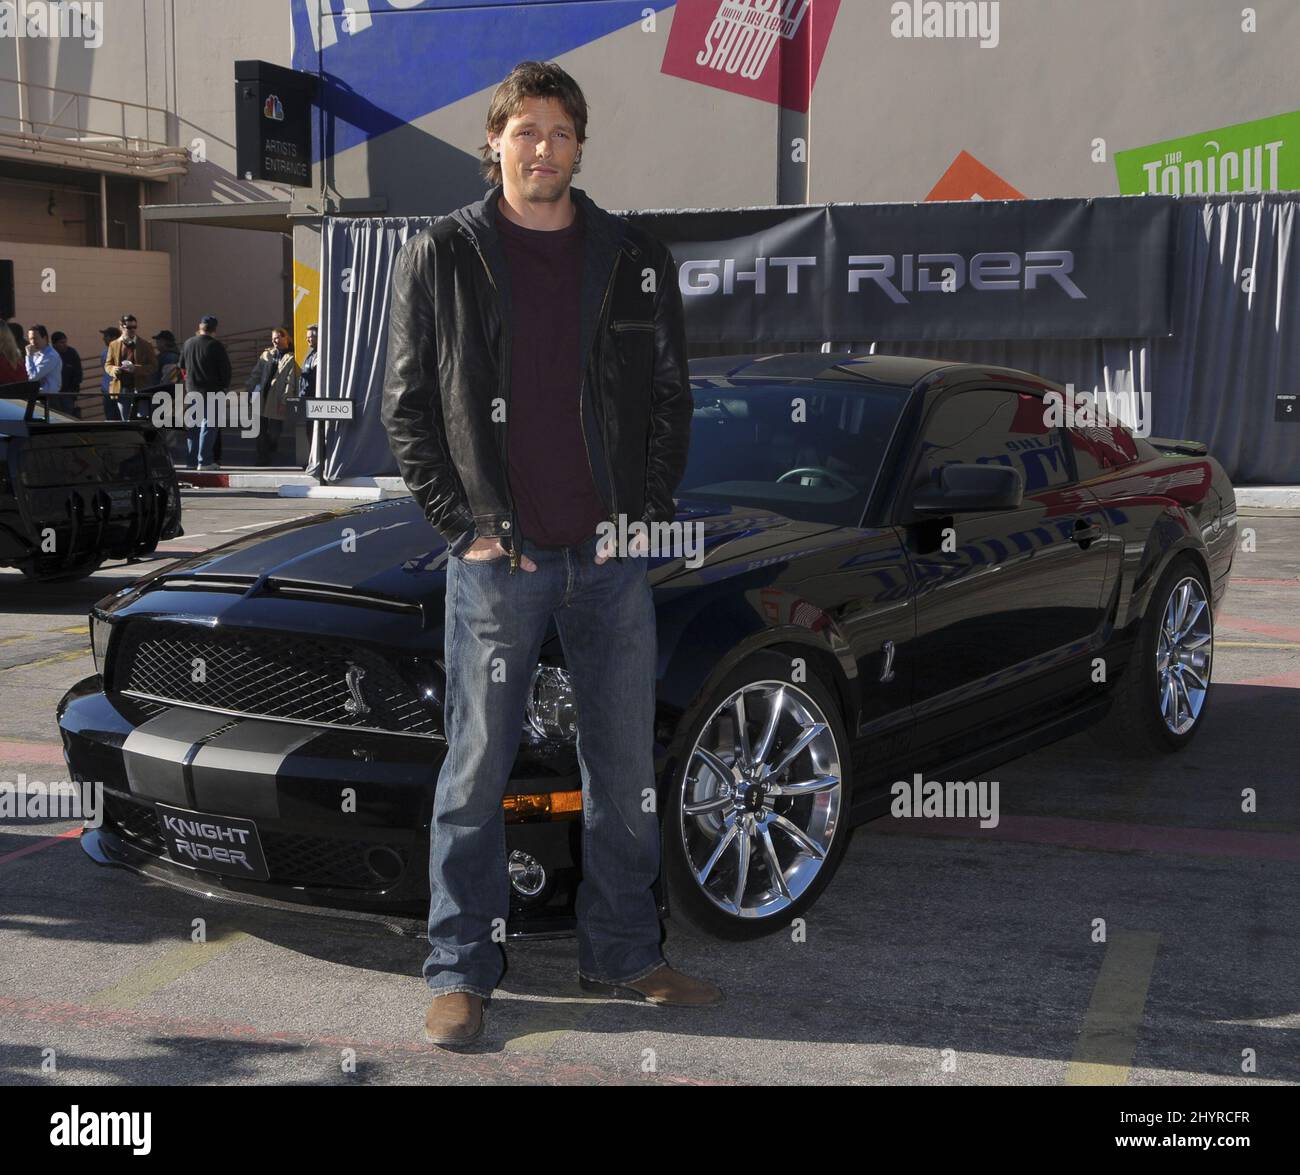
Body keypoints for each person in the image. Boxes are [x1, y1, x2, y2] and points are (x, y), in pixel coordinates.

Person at [381, 60, 707, 1049]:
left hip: (609, 561)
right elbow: (405, 408)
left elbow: (667, 398)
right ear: (494, 142)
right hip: (496, 564)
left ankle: (624, 951)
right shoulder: (441, 253)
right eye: (525, 131)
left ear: (579, 146)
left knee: (623, 770)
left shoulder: (631, 255)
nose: (543, 148)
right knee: (473, 776)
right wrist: (463, 519)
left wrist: (641, 512)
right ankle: (460, 971)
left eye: (561, 132)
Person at [178, 315, 231, 470]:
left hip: (192, 390)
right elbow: (225, 370)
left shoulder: (188, 343)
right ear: (214, 329)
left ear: (199, 327)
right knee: (209, 426)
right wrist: (224, 387)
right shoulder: (216, 346)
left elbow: (181, 365)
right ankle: (205, 460)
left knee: (194, 427)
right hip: (212, 391)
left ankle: (191, 461)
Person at [246, 326, 298, 465]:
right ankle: (262, 458)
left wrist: (284, 401)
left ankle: (271, 446)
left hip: (276, 398)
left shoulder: (292, 357)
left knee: (275, 431)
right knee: (260, 430)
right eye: (273, 338)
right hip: (262, 396)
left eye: (277, 337)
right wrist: (250, 389)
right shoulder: (267, 354)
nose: (275, 340)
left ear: (285, 337)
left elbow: (290, 382)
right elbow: (255, 374)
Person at [104, 313, 156, 421]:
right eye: (129, 327)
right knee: (126, 421)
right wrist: (114, 370)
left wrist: (136, 369)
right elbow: (108, 365)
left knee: (143, 420)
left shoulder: (145, 345)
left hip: (141, 388)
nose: (132, 330)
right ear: (121, 327)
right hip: (122, 389)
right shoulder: (114, 345)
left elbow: (154, 366)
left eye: (134, 327)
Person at [24, 324, 63, 394]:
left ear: (44, 338)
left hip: (48, 398)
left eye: (35, 338)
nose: (32, 342)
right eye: (30, 339)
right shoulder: (35, 354)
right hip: (37, 396)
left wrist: (29, 356)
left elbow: (32, 377)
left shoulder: (51, 356)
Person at [50, 332, 83, 399]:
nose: (65, 345)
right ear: (54, 344)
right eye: (61, 343)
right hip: (53, 392)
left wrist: (73, 389)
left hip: (68, 392)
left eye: (65, 342)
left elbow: (78, 371)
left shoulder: (72, 353)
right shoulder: (49, 354)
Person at [98, 326, 120, 417]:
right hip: (111, 390)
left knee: (114, 418)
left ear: (113, 338)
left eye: (106, 336)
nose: (103, 338)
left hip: (115, 391)